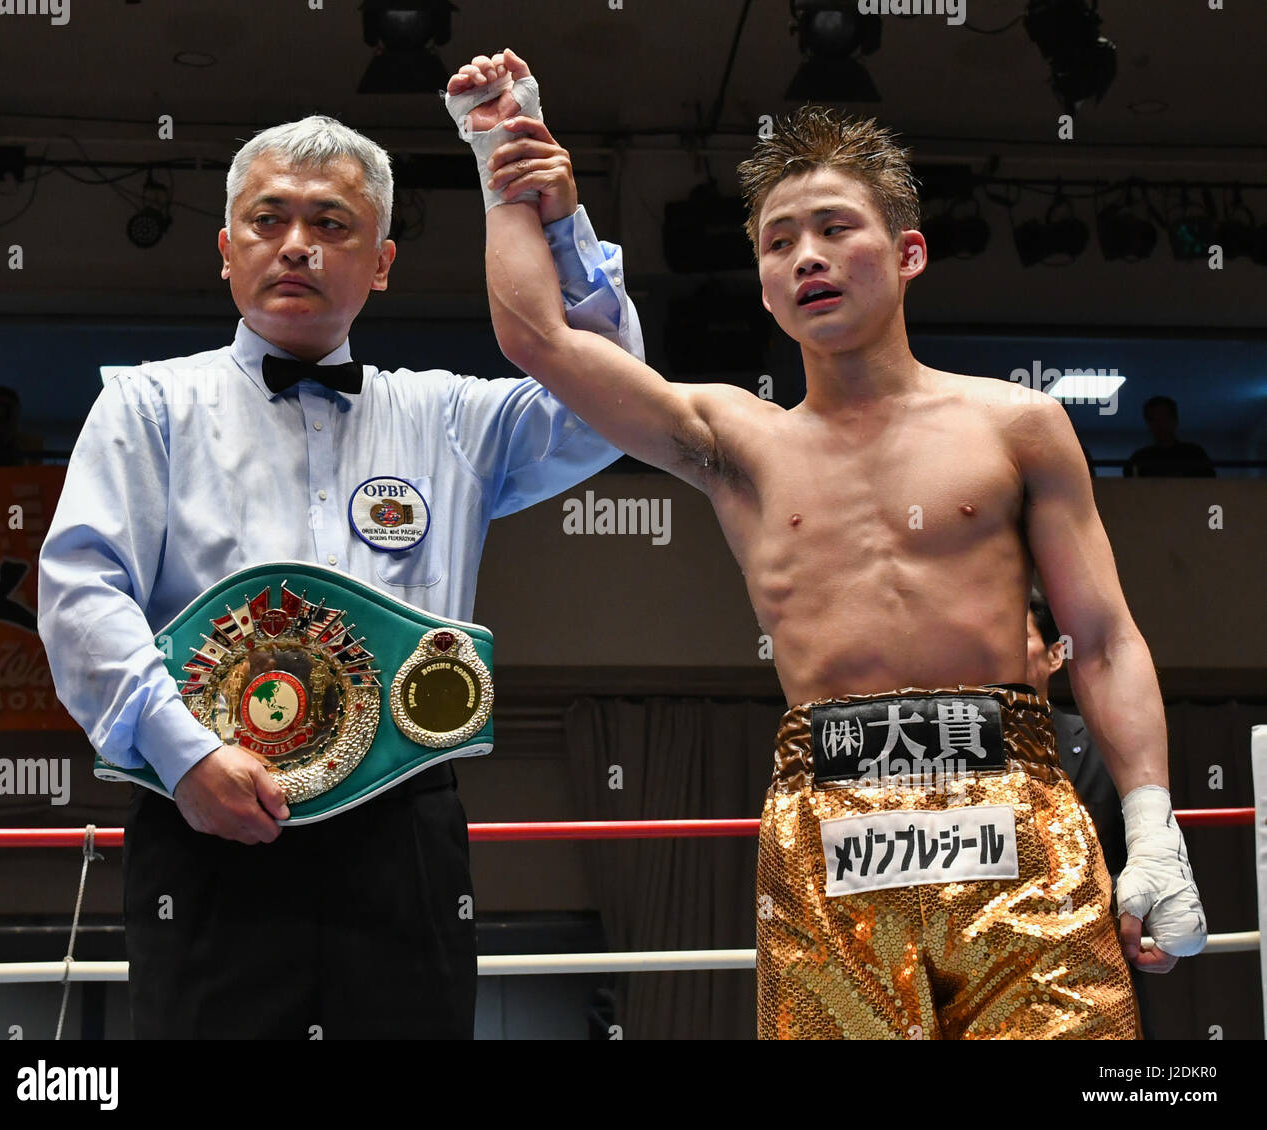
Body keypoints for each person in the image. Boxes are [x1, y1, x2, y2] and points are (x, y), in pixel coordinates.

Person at [469, 49, 1206, 1039]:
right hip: (830, 819)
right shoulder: (738, 442)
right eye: (778, 242)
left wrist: (1153, 825)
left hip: (1016, 810)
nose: (805, 257)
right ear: (763, 286)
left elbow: (1104, 639)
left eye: (833, 228)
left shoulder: (1018, 424)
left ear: (908, 254)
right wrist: (510, 175)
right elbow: (539, 341)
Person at [37, 93, 645, 1038]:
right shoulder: (148, 406)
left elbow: (613, 404)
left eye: (331, 224)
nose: (296, 246)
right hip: (206, 815)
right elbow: (81, 593)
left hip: (403, 829)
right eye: (268, 220)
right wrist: (184, 753)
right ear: (226, 249)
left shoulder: (450, 417)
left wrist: (557, 222)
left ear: (382, 262)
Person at [1026, 584, 1152, 1036]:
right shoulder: (956, 758)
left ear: (1055, 654)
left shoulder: (1103, 744)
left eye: (1015, 637)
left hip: (1094, 959)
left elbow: (1134, 854)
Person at [1123, 395, 1215, 477]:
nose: (1159, 425)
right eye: (1153, 420)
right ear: (1148, 423)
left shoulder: (1195, 454)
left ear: (1175, 420)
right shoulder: (1139, 459)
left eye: (1164, 418)